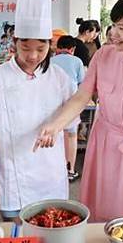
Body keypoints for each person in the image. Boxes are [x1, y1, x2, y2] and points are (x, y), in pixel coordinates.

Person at [34, 0, 123, 222]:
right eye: (114, 26)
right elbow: (81, 97)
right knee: (98, 210)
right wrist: (55, 126)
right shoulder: (103, 56)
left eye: (122, 28)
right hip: (102, 145)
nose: (113, 33)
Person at [0, 0, 77, 223]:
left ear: (51, 45)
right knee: (18, 240)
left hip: (52, 177)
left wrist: (69, 171)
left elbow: (70, 131)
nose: (33, 56)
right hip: (13, 179)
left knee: (52, 236)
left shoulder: (61, 80)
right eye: (25, 48)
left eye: (41, 48)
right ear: (14, 42)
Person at [51, 35, 86, 182]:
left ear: (58, 48)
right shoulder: (77, 61)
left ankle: (54, 171)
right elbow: (82, 84)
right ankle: (70, 170)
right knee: (71, 135)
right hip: (71, 103)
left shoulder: (50, 61)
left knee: (54, 135)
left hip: (52, 103)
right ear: (72, 49)